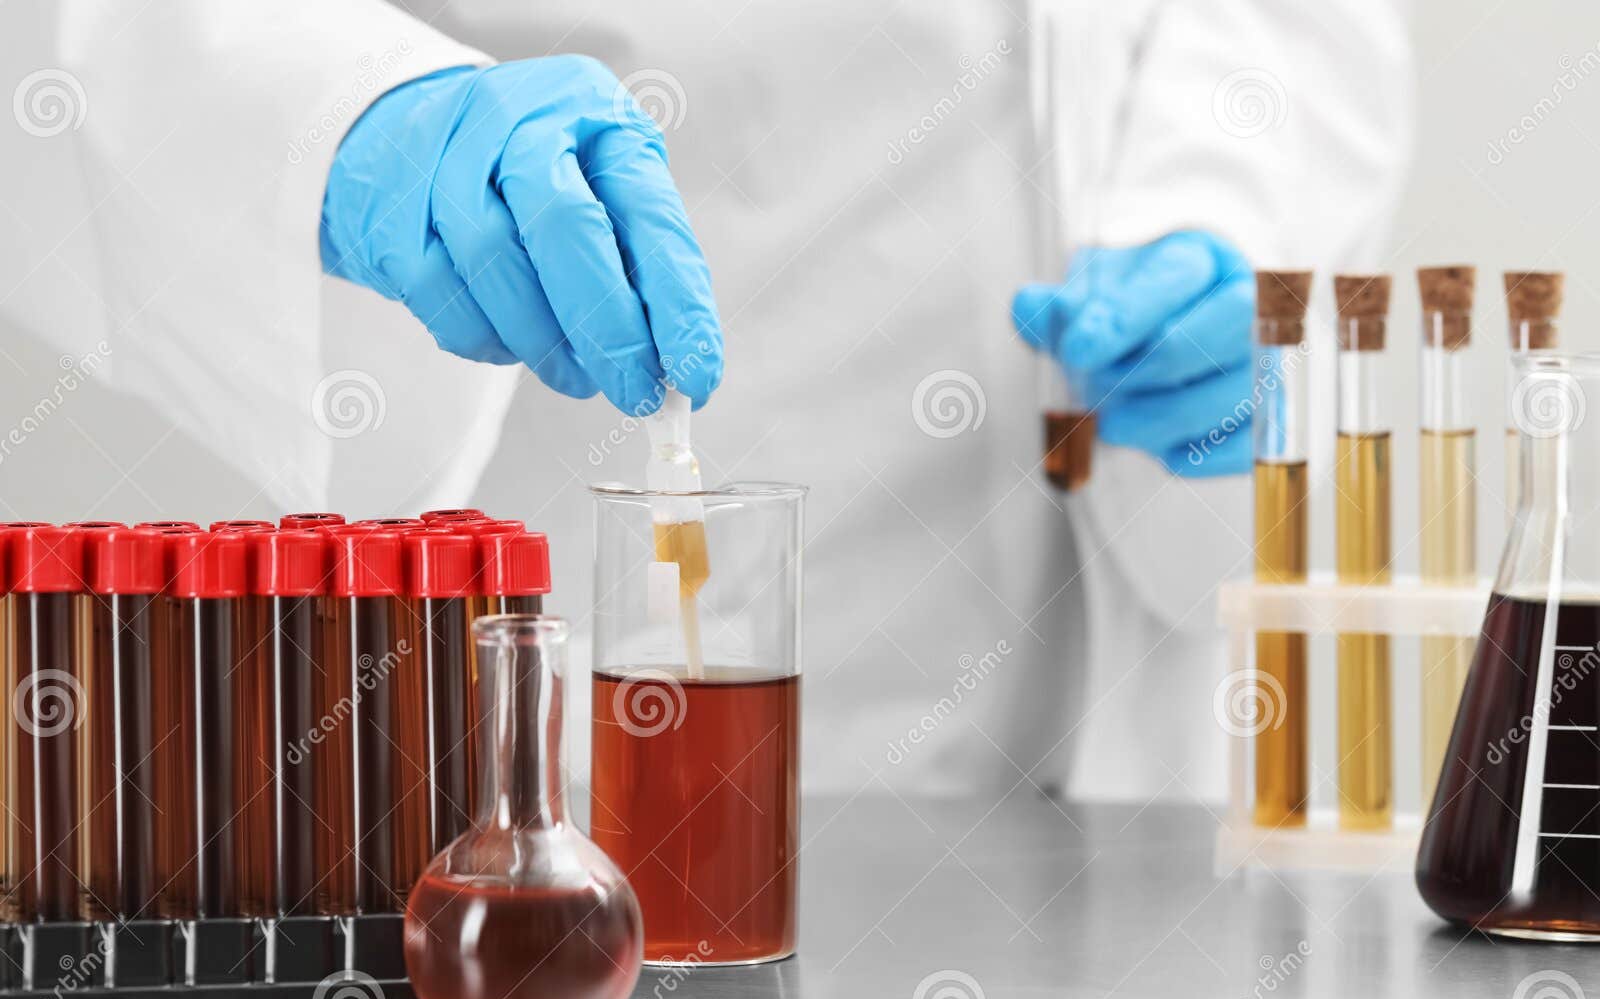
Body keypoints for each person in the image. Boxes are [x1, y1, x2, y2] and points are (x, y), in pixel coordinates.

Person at [0, 2, 1411, 798]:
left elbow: (1271, 31)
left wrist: (1221, 226)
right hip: (538, 689)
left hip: (1051, 733)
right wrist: (352, 114)